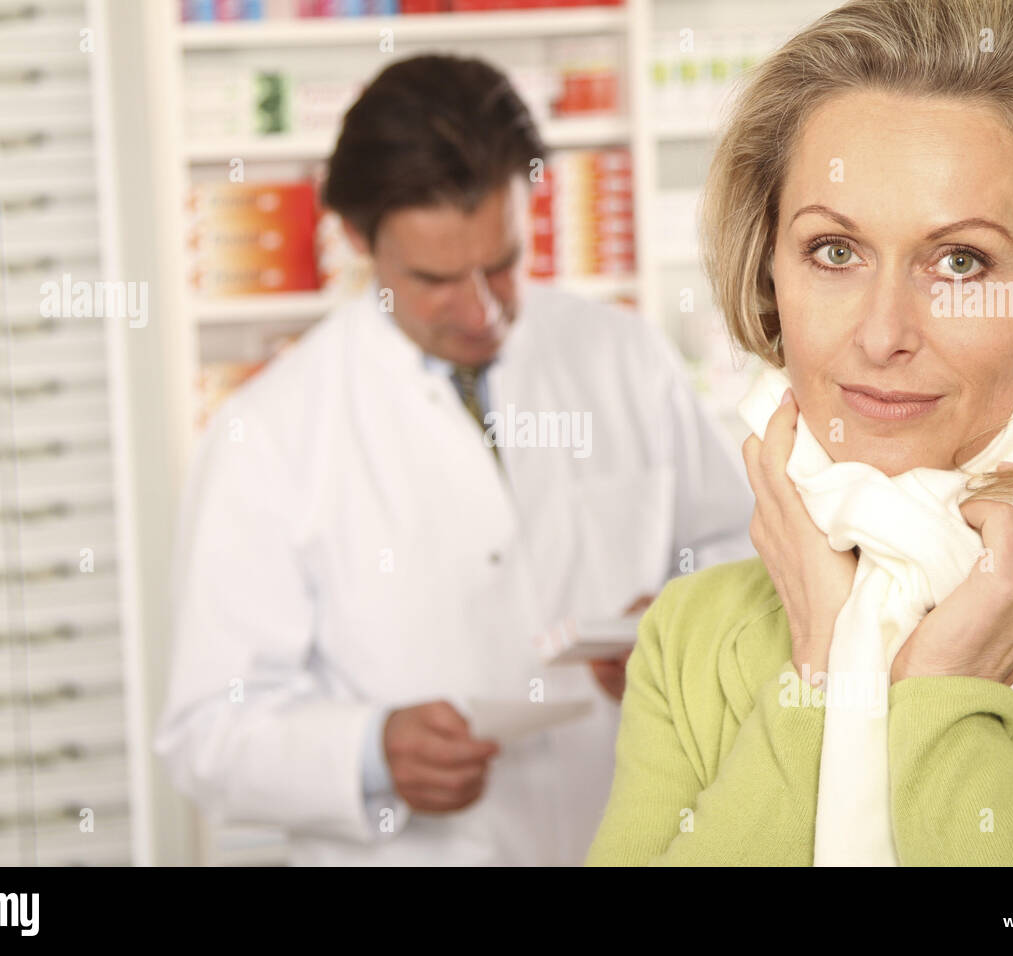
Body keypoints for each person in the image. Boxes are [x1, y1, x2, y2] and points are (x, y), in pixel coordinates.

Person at [587, 0, 1013, 866]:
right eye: (834, 250)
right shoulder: (690, 636)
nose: (881, 334)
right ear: (769, 266)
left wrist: (942, 702)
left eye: (960, 262)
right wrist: (819, 675)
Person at [154, 54, 753, 866]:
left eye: (502, 263)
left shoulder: (621, 355)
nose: (480, 309)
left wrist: (683, 627)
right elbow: (207, 731)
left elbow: (739, 552)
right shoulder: (269, 431)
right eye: (435, 279)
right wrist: (368, 750)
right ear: (359, 241)